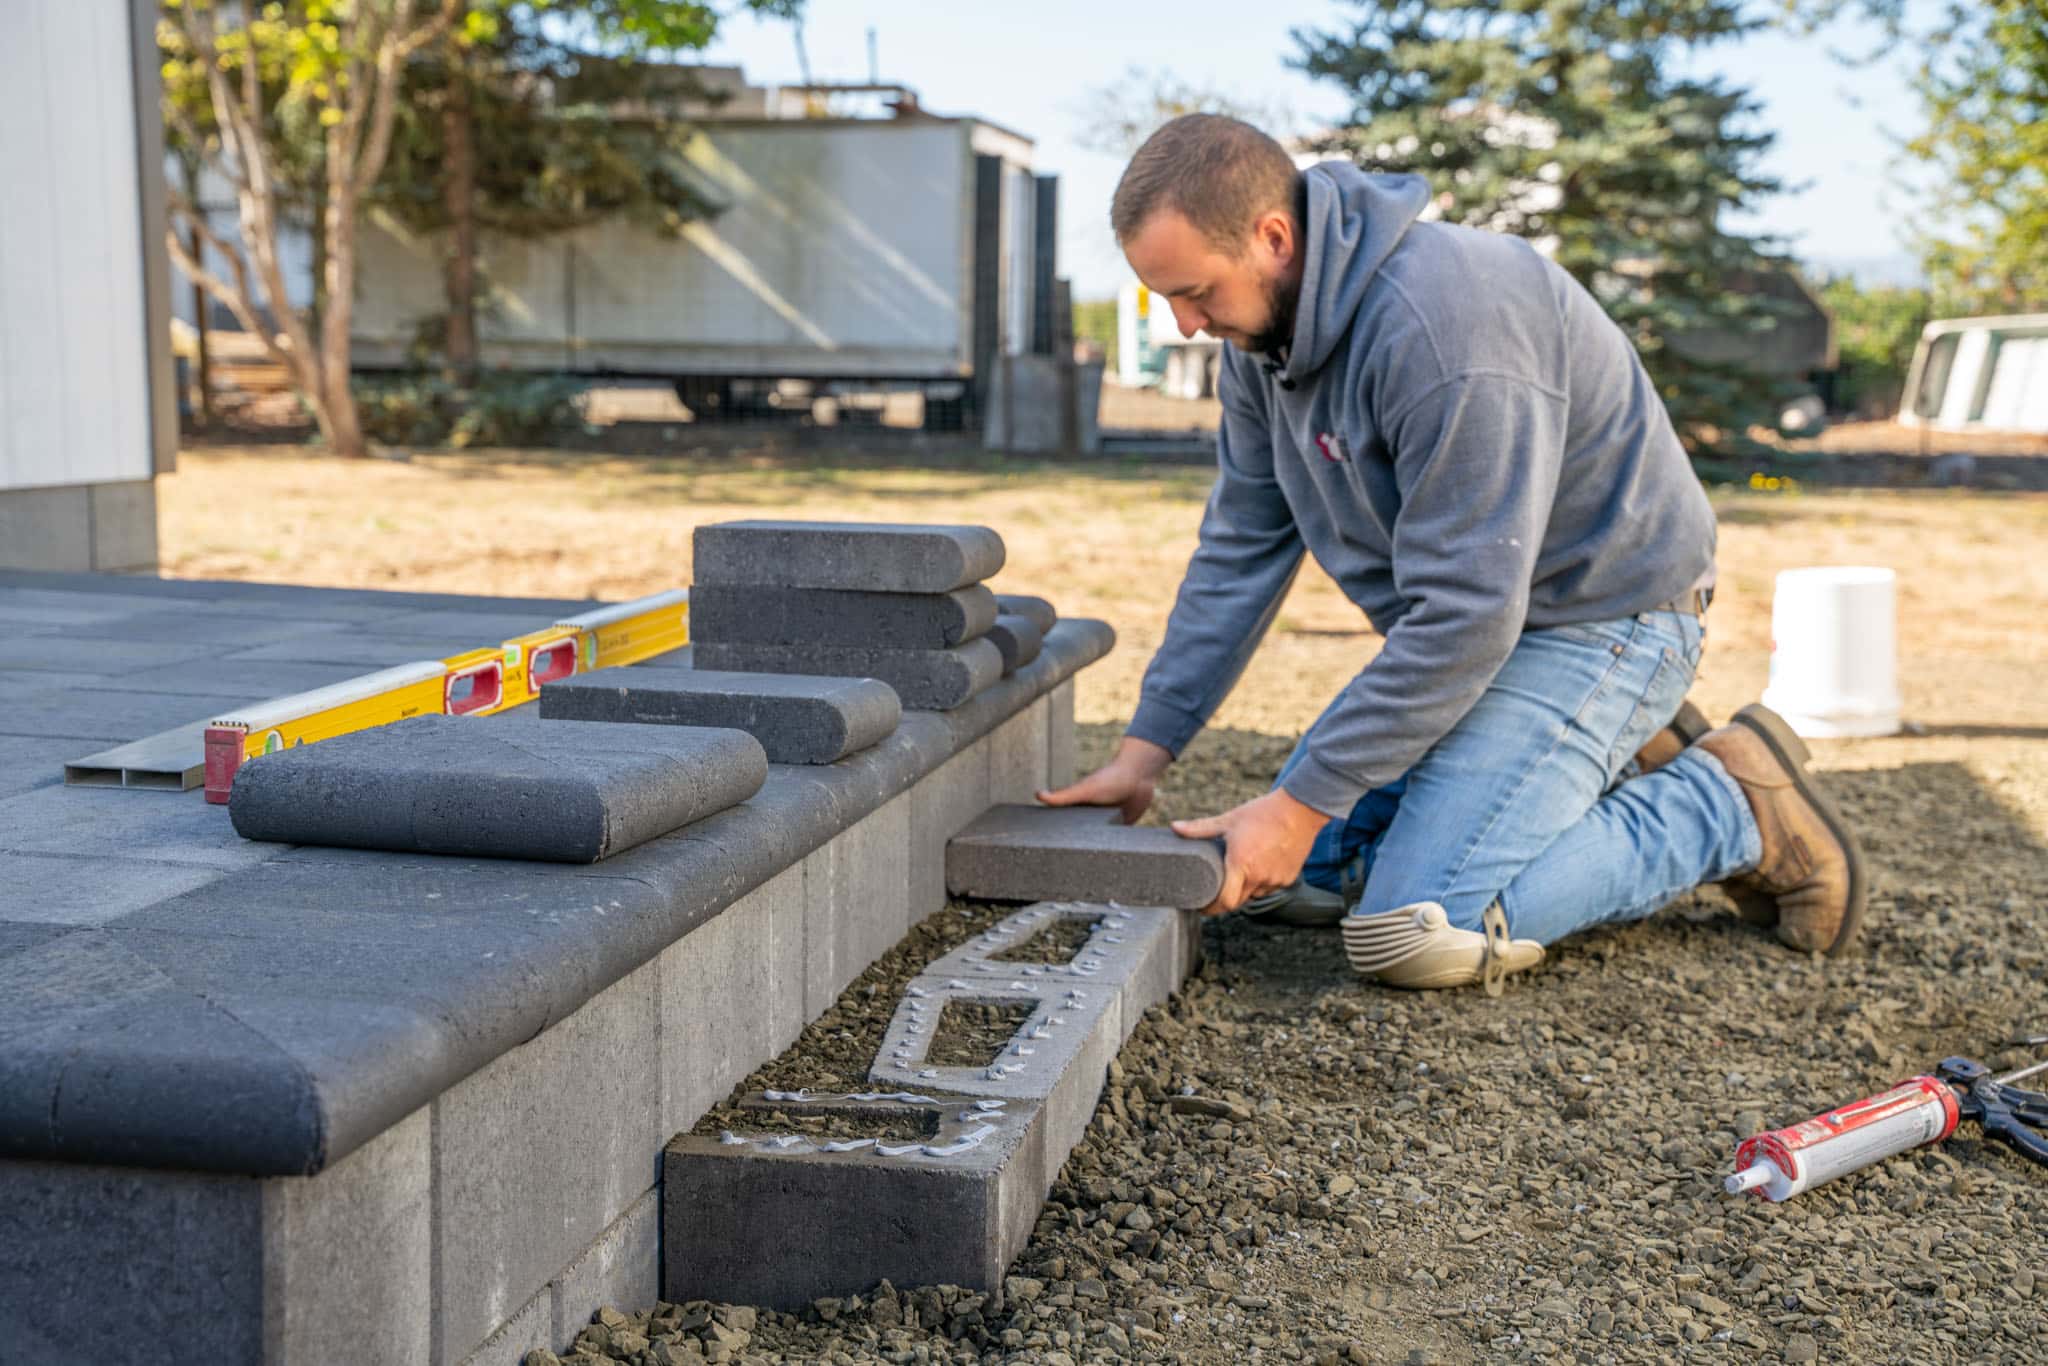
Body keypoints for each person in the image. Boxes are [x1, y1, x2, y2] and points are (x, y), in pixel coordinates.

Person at [1038, 114, 1868, 995]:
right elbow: (1241, 547)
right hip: (1486, 634)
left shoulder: (1445, 331)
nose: (1186, 324)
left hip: (1607, 617)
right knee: (1284, 889)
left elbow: (1467, 617)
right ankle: (1576, 752)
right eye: (1165, 298)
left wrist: (1298, 804)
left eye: (1196, 292)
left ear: (1273, 237)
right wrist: (1145, 751)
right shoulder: (1260, 347)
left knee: (1416, 928)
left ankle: (1725, 804)